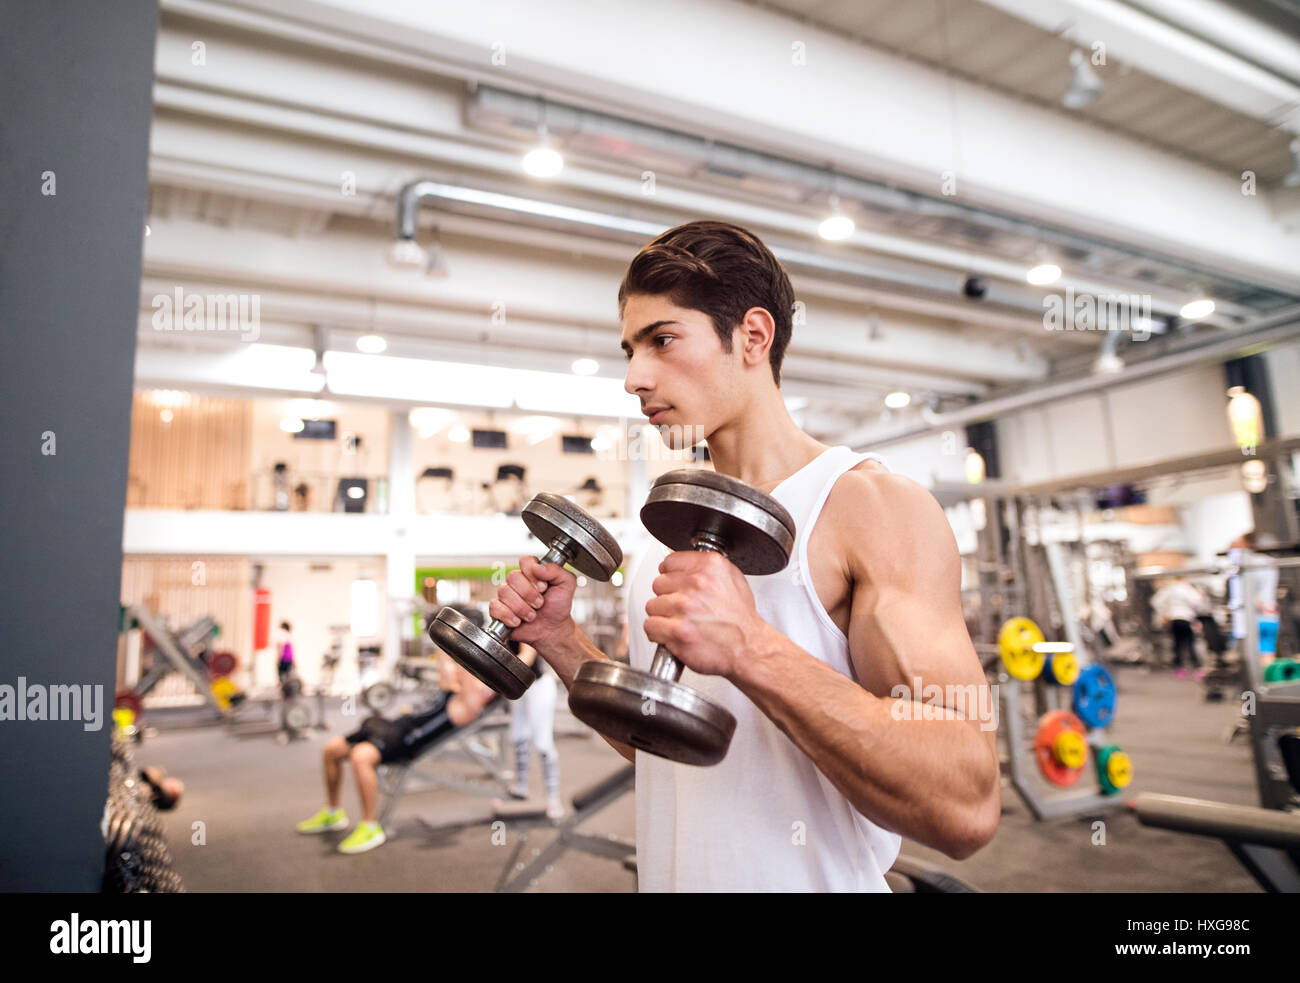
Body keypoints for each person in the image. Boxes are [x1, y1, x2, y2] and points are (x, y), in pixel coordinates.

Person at [488, 220, 999, 891]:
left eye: (662, 340)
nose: (634, 377)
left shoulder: (869, 506)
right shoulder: (665, 538)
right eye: (629, 349)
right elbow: (673, 752)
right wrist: (561, 641)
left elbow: (966, 801)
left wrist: (752, 647)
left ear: (753, 337)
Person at [295, 604, 497, 854]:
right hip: (397, 726)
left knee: (360, 757)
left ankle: (370, 826)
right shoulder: (452, 691)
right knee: (332, 750)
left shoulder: (466, 706)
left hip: (409, 740)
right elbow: (447, 667)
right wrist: (445, 634)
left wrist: (468, 645)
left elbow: (468, 673)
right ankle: (333, 812)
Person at [500, 640, 564, 819]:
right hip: (519, 686)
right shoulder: (501, 624)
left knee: (543, 743)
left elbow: (526, 657)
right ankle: (520, 787)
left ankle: (553, 800)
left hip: (538, 687)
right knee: (518, 736)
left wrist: (497, 670)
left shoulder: (521, 626)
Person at [1150, 578, 1208, 677]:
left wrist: (1165, 611)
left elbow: (1156, 602)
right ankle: (1197, 669)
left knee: (1177, 644)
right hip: (1186, 619)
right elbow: (1197, 602)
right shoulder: (1187, 589)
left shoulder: (1169, 589)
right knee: (1190, 644)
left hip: (1174, 620)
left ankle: (1179, 669)